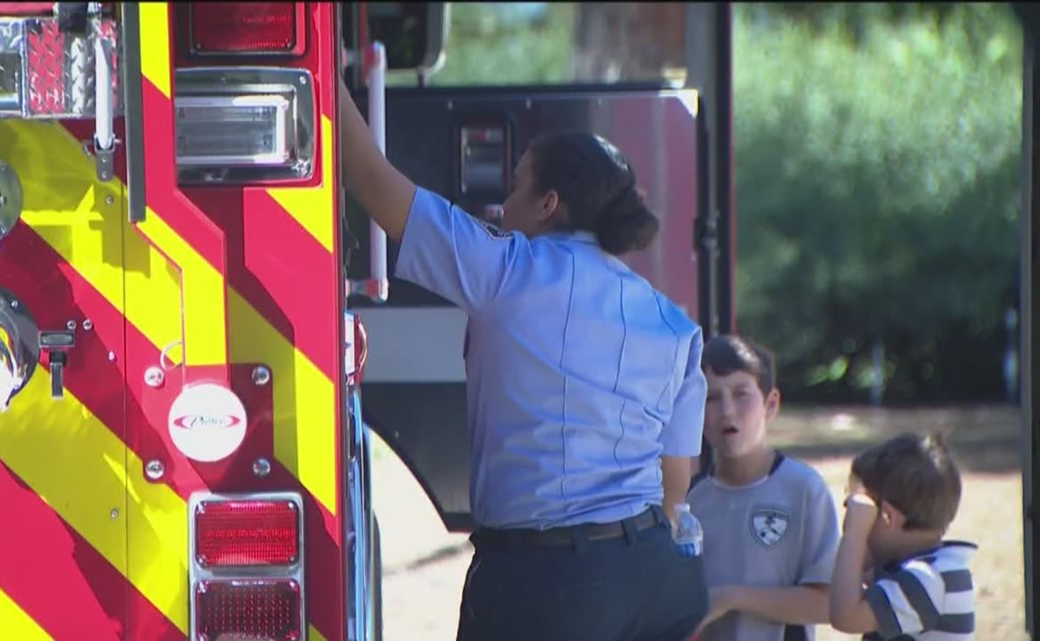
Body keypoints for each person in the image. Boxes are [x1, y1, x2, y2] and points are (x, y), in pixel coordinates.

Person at [337, 78, 709, 640]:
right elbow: (675, 484)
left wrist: (318, 63)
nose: (501, 204)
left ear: (548, 204)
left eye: (514, 188)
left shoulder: (504, 270)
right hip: (659, 579)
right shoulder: (675, 323)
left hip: (548, 581)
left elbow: (368, 174)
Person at [687, 335, 840, 641]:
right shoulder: (690, 500)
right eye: (711, 398)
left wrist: (733, 597)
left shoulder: (805, 490)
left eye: (741, 394)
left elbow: (828, 603)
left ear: (770, 404)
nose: (727, 411)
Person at [830, 432, 976, 640]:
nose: (850, 517)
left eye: (859, 509)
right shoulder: (927, 569)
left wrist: (855, 534)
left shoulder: (927, 579)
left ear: (887, 516)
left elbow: (845, 616)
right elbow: (855, 576)